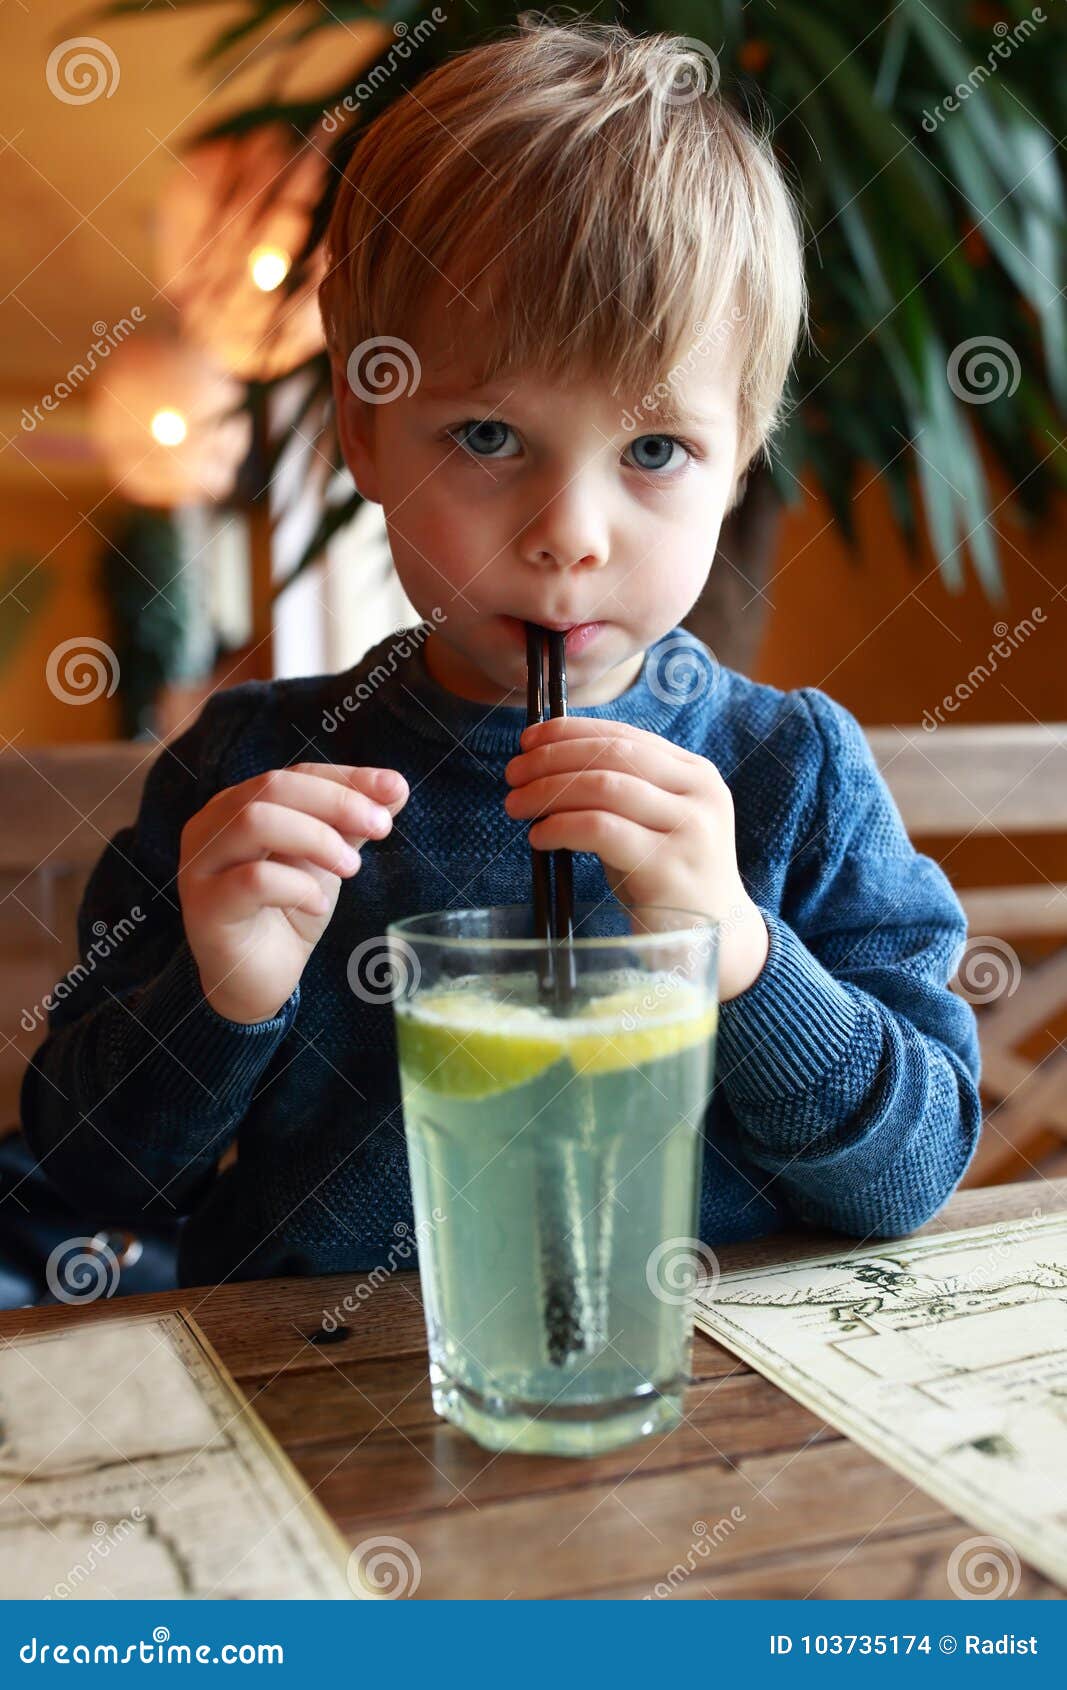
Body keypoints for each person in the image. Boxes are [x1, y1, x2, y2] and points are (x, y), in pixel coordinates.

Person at [17, 19, 981, 1294]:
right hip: (330, 1422)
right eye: (484, 435)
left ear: (739, 452)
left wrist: (740, 954)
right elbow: (90, 1179)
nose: (565, 536)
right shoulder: (248, 772)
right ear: (364, 432)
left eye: (652, 451)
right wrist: (223, 997)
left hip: (712, 1427)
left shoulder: (789, 775)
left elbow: (913, 1170)